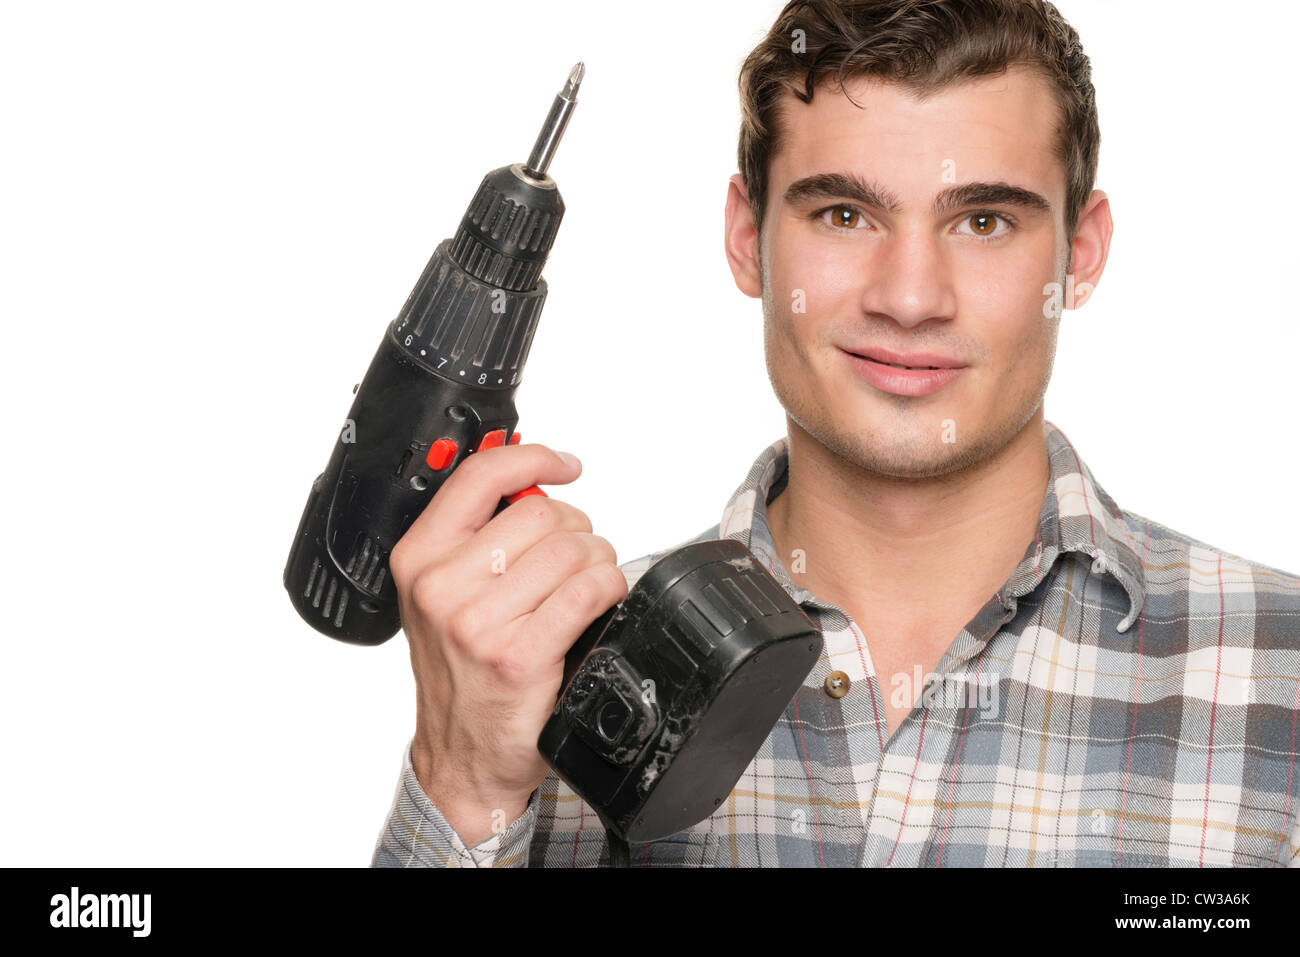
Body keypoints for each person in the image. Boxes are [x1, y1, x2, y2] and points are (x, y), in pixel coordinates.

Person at [371, 0, 1300, 867]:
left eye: (983, 221)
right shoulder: (537, 688)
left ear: (1080, 253)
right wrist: (464, 787)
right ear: (747, 237)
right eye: (844, 214)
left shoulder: (1279, 674)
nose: (908, 298)